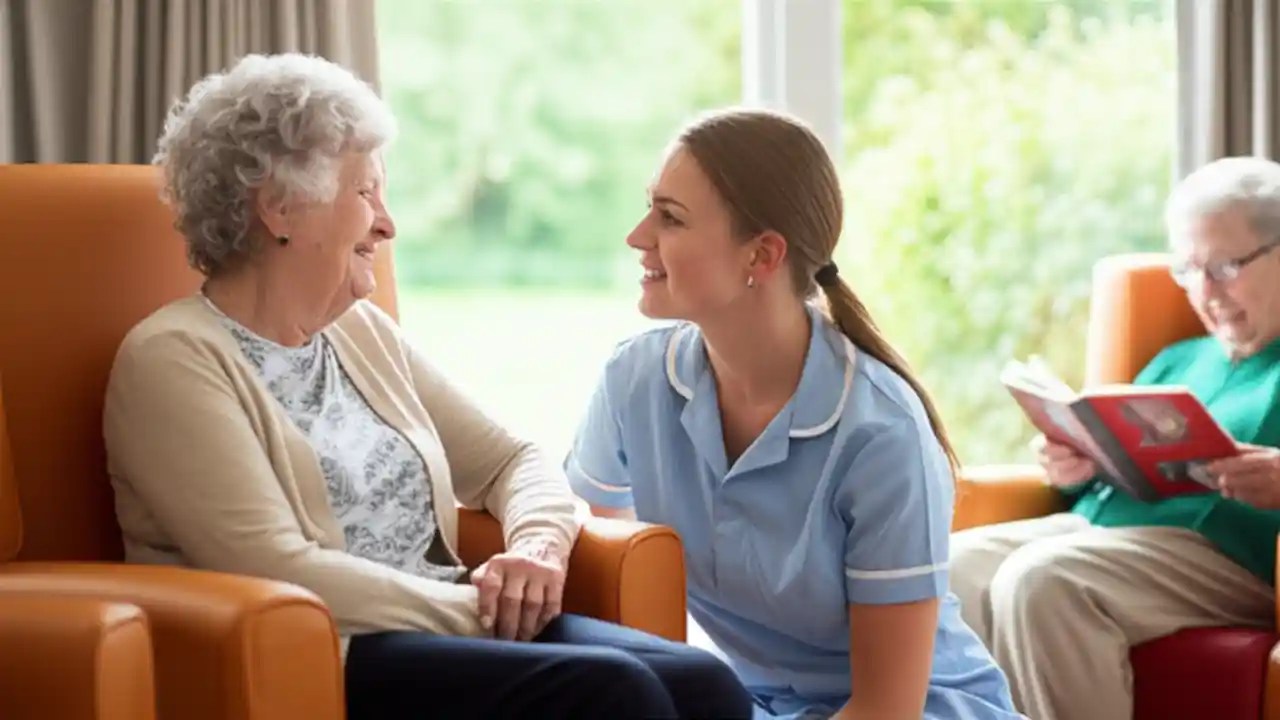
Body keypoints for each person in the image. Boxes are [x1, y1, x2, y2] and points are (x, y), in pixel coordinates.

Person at [103, 53, 752, 720]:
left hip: (441, 623)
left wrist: (535, 551)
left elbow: (511, 459)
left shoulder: (360, 333)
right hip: (334, 650)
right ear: (279, 209)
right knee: (618, 695)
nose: (387, 224)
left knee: (707, 686)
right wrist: (480, 605)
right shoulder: (172, 361)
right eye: (365, 194)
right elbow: (277, 565)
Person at [565, 108, 1022, 720]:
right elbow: (615, 580)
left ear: (761, 255)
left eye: (670, 217)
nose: (638, 236)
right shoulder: (634, 381)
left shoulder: (881, 434)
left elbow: (888, 707)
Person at [949, 155, 1280, 720]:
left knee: (1043, 582)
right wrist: (1075, 466)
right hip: (1106, 532)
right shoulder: (1178, 360)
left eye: (1225, 267)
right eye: (1188, 269)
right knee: (951, 567)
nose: (1204, 291)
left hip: (1230, 557)